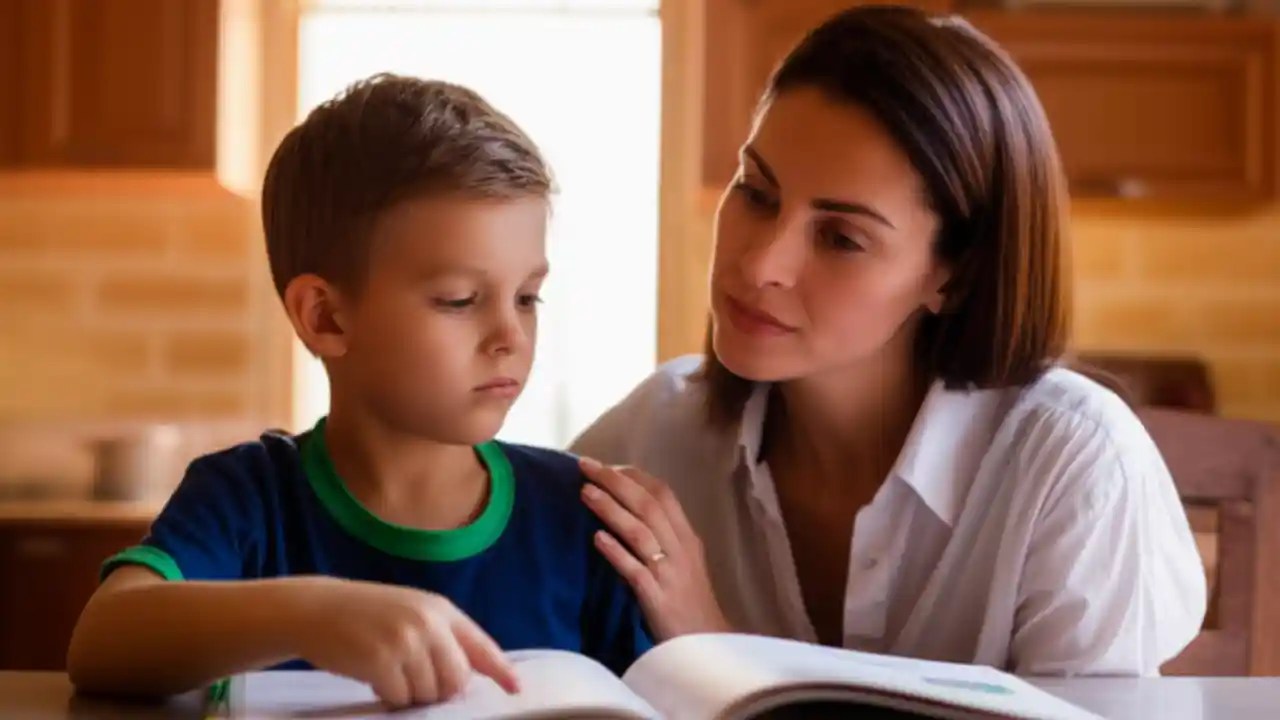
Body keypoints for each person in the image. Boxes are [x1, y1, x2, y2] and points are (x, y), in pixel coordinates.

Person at [572, 5, 1206, 676]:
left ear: (954, 276)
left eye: (841, 238)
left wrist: (711, 650)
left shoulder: (1074, 469)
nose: (761, 265)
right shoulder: (652, 434)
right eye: (757, 192)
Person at [67, 73, 651, 708]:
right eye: (459, 300)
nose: (510, 334)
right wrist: (312, 613)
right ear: (326, 318)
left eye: (527, 296)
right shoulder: (248, 498)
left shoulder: (584, 520)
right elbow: (100, 643)